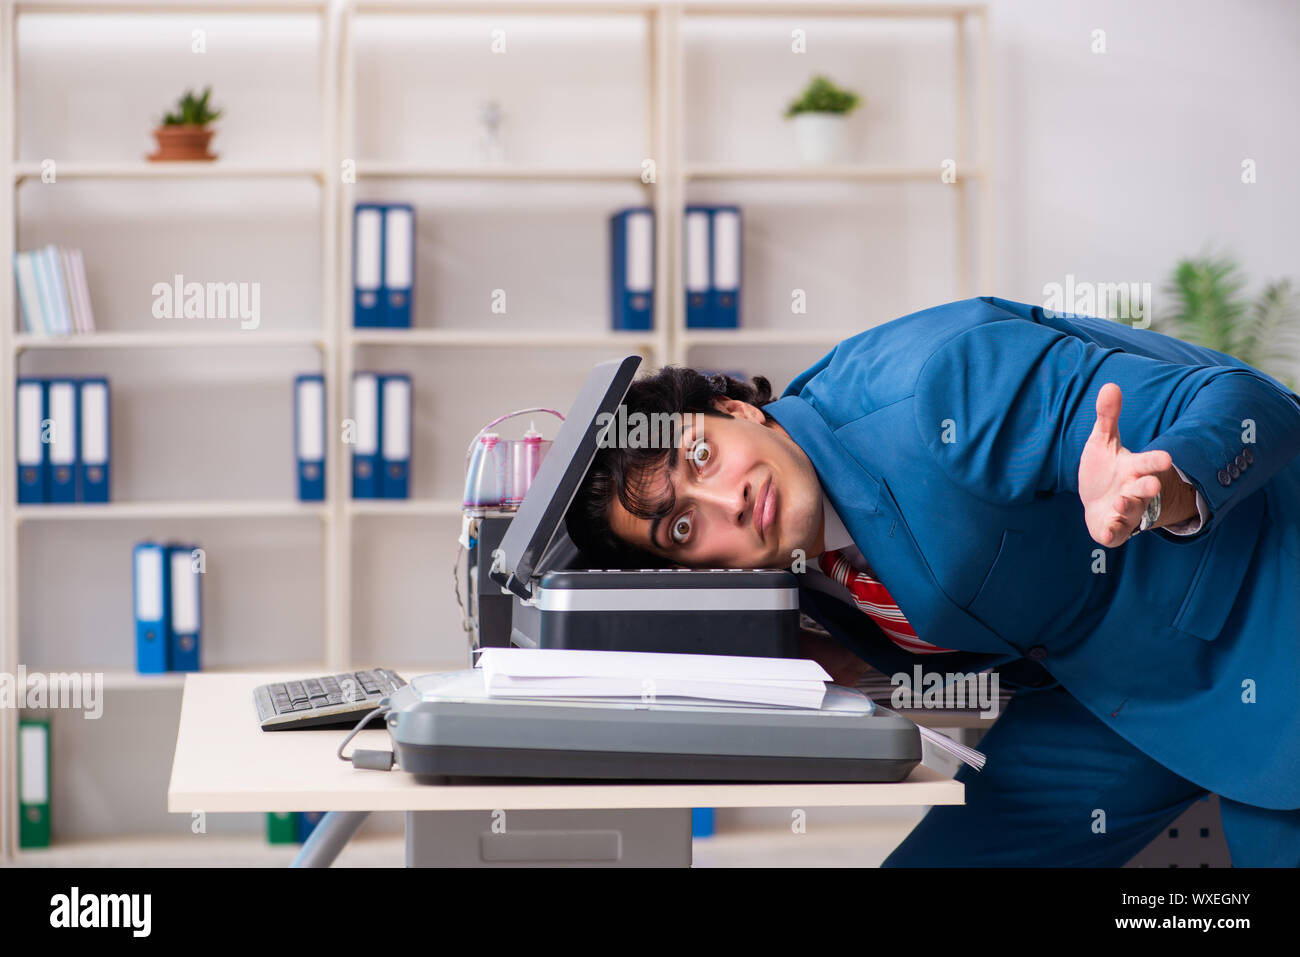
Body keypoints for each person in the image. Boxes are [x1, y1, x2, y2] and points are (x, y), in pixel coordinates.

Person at [565, 295, 1300, 866]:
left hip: (1254, 623)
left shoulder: (935, 388)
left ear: (734, 409)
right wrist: (845, 672)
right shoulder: (796, 553)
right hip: (1100, 686)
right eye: (683, 527)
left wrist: (1165, 487)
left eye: (701, 456)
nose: (727, 501)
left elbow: (1246, 404)